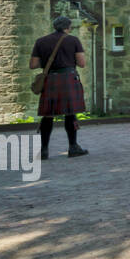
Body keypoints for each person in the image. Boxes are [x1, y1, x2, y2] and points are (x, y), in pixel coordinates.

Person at [29, 15, 89, 158]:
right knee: (70, 113)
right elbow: (81, 63)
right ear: (68, 27)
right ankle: (73, 147)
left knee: (47, 115)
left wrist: (47, 60)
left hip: (50, 79)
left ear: (54, 26)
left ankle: (43, 150)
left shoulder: (41, 42)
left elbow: (33, 65)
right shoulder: (73, 40)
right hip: (68, 79)